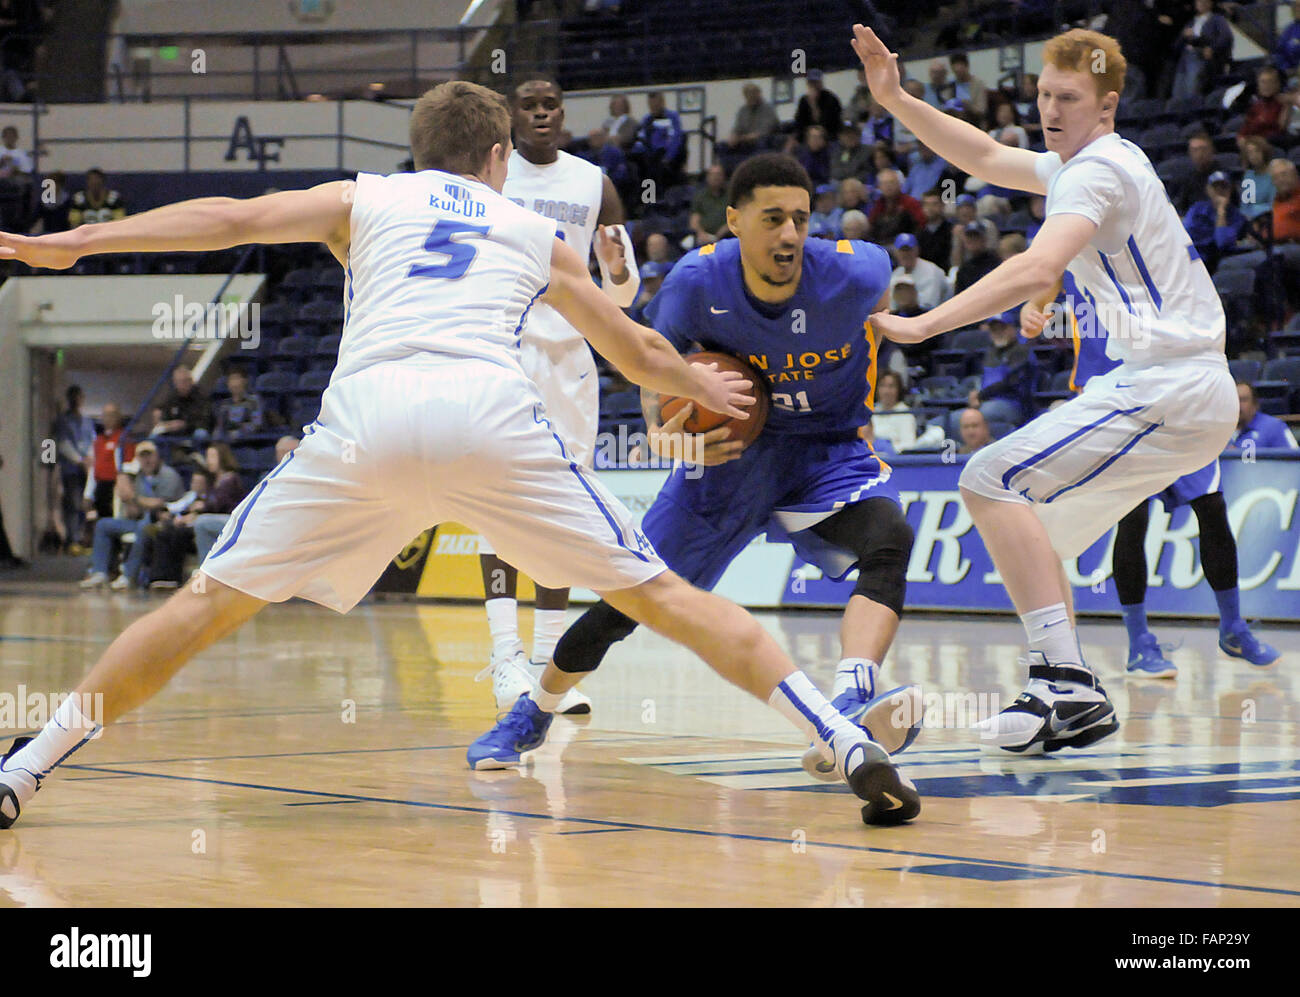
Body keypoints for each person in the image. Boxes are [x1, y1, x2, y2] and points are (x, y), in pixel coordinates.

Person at [0, 81, 919, 829]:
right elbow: (632, 350)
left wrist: (78, 241)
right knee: (668, 598)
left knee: (201, 610)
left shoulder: (364, 199)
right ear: (497, 161)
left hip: (368, 420)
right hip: (489, 417)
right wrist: (704, 385)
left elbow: (229, 218)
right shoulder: (530, 231)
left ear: (417, 150)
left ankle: (27, 768)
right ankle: (844, 739)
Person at [475, 152, 924, 803]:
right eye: (773, 219)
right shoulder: (694, 283)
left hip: (823, 452)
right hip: (724, 459)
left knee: (889, 537)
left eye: (801, 218)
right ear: (734, 221)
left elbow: (882, 329)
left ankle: (853, 690)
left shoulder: (858, 272)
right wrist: (668, 433)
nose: (791, 235)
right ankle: (534, 711)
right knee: (625, 602)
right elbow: (651, 377)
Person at [854, 23, 1237, 754]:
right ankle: (1065, 692)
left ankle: (1063, 678)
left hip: (1174, 383)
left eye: (1068, 97)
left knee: (989, 477)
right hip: (1168, 384)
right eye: (1042, 95)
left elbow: (1035, 269)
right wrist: (897, 99)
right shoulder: (1082, 163)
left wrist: (923, 323)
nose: (1050, 109)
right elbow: (987, 154)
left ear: (1108, 107)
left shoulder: (1097, 170)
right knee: (1029, 527)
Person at [479, 76, 641, 716]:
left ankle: (549, 666)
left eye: (551, 105)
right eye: (530, 105)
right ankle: (503, 657)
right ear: (511, 116)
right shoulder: (492, 174)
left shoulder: (594, 182)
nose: (542, 114)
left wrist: (619, 266)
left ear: (563, 114)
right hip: (505, 349)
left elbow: (622, 295)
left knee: (563, 502)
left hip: (572, 359)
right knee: (497, 497)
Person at [78, 440, 185, 590]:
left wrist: (134, 498)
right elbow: (133, 509)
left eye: (150, 456)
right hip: (140, 520)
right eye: (143, 456)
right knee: (104, 525)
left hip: (164, 523)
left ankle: (128, 575)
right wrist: (124, 488)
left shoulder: (168, 475)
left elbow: (159, 504)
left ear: (157, 456)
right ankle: (99, 572)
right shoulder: (138, 477)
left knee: (144, 524)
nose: (147, 460)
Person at [53, 384, 95, 554]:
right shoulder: (63, 420)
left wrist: (90, 460)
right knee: (73, 503)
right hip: (71, 468)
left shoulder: (87, 421)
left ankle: (81, 538)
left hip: (88, 469)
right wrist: (79, 460)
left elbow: (92, 440)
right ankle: (73, 539)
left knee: (84, 504)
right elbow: (63, 443)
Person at [1183, 170, 1246, 271]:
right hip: (1192, 257)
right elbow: (1186, 235)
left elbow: (1222, 242)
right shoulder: (1196, 209)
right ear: (1208, 190)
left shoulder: (1236, 217)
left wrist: (1221, 212)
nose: (1220, 191)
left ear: (1230, 190)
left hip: (1215, 262)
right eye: (1215, 187)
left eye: (1224, 187)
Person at [1170, 0, 1233, 101]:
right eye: (1199, 1)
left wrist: (1212, 48)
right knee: (1178, 91)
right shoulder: (1191, 22)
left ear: (1211, 4)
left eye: (1205, 1)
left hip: (1200, 54)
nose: (1202, 3)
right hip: (1184, 58)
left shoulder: (1217, 19)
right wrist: (1183, 36)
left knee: (1192, 87)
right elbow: (1176, 45)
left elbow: (1226, 37)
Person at [636, 91, 685, 190]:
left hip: (666, 154)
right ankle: (649, 200)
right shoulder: (647, 119)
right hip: (650, 155)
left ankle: (662, 200)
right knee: (640, 166)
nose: (653, 107)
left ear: (662, 103)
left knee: (658, 169)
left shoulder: (672, 117)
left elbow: (676, 139)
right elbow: (640, 139)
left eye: (656, 104)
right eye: (651, 105)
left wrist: (668, 157)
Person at [1228, 381, 1298, 448]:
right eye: (1233, 400)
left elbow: (1294, 458)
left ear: (1255, 405)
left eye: (1243, 400)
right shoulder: (1219, 428)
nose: (1237, 404)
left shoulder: (1274, 427)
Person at [890, 232, 948, 310]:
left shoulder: (931, 272)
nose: (905, 254)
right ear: (896, 252)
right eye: (902, 250)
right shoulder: (895, 275)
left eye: (909, 250)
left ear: (917, 250)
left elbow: (929, 306)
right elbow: (892, 307)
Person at [213, 367, 265, 442]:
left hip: (248, 441)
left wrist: (240, 432)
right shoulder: (224, 405)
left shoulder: (254, 401)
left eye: (237, 379)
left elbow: (257, 424)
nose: (234, 384)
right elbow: (220, 426)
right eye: (231, 380)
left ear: (245, 381)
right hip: (227, 441)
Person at [869, 370, 916, 450]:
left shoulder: (905, 413)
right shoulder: (872, 411)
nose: (886, 391)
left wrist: (889, 449)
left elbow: (909, 444)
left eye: (891, 386)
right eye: (882, 386)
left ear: (898, 390)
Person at [794, 69, 842, 143]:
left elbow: (826, 123)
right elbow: (799, 122)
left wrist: (813, 104)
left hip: (828, 136)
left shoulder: (830, 99)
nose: (813, 85)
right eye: (811, 83)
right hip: (807, 136)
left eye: (815, 82)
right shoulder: (803, 100)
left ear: (820, 83)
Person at [689, 163, 729, 246]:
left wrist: (720, 234)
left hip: (726, 237)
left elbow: (738, 218)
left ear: (724, 177)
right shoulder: (700, 196)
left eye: (718, 174)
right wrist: (701, 233)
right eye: (712, 174)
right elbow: (694, 220)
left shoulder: (731, 195)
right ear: (707, 177)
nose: (715, 177)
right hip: (703, 237)